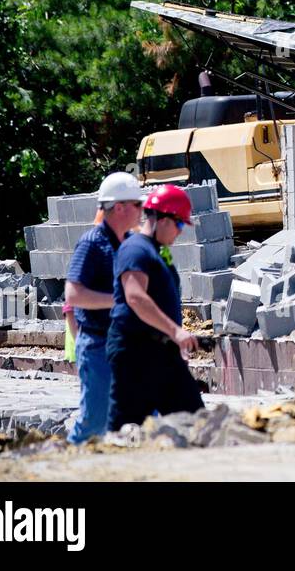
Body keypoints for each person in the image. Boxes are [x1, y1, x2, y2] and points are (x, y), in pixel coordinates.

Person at [106, 184, 203, 431]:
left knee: (196, 423)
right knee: (126, 430)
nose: (180, 232)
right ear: (162, 219)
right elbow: (135, 297)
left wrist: (173, 340)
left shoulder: (156, 251)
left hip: (163, 354)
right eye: (179, 224)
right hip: (136, 354)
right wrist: (176, 332)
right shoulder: (135, 249)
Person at [63, 171, 143, 444]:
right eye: (137, 205)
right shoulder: (92, 243)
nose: (142, 210)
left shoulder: (131, 243)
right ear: (119, 207)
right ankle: (66, 467)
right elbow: (73, 294)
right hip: (98, 348)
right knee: (94, 420)